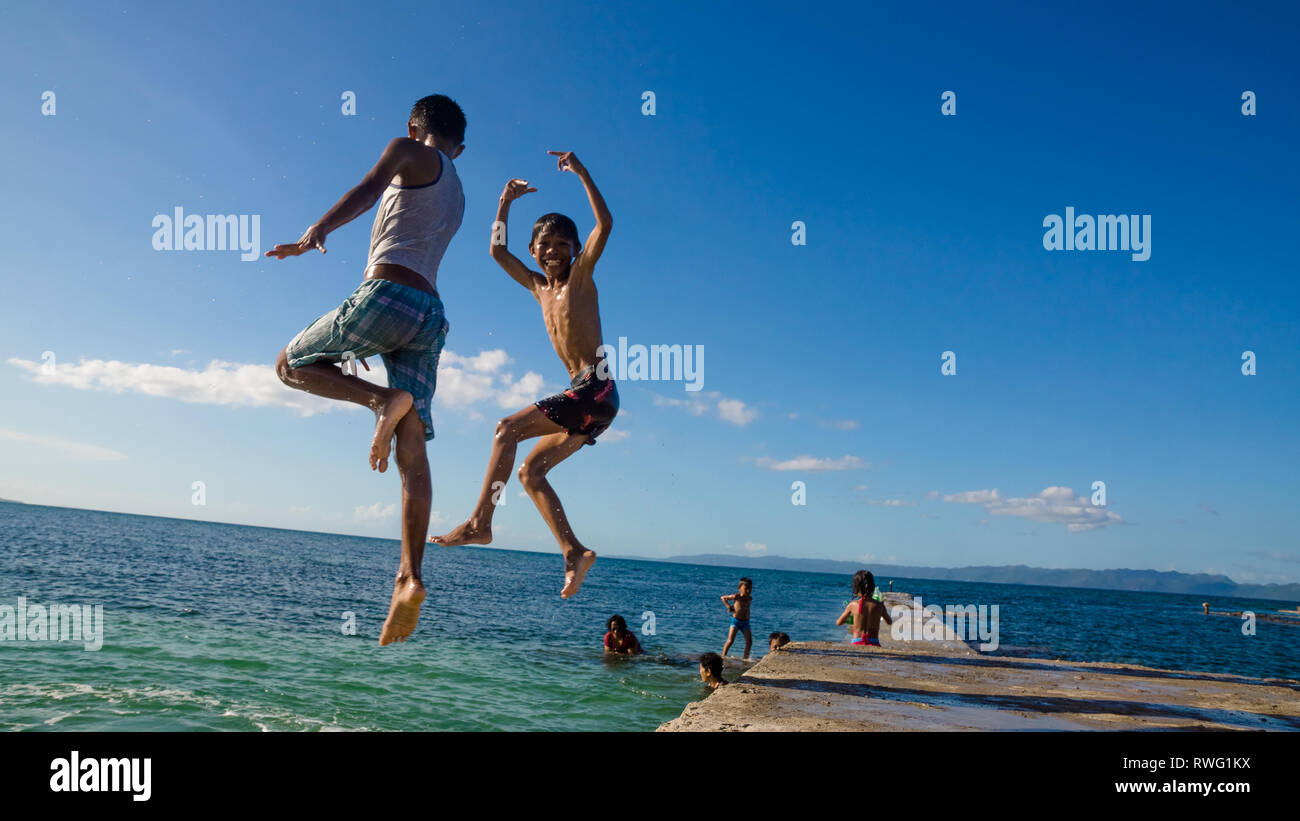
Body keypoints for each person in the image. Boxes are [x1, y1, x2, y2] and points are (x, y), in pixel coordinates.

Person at [268, 94, 466, 646]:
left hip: (387, 295)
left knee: (289, 363)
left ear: (413, 128)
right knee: (413, 452)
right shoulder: (458, 191)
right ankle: (409, 576)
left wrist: (317, 231)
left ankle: (380, 401)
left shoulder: (409, 150)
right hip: (430, 316)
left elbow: (368, 187)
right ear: (461, 146)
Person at [430, 151, 615, 600]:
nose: (553, 250)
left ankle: (479, 523)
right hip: (589, 402)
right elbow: (496, 250)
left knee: (506, 429)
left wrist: (583, 173)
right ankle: (574, 551)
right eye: (545, 244)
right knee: (531, 473)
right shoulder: (538, 288)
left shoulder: (581, 277)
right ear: (534, 251)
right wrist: (503, 203)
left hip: (597, 388)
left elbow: (603, 225)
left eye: (562, 243)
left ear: (574, 249)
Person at [836, 570, 893, 647]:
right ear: (872, 586)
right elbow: (889, 622)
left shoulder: (852, 605)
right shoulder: (880, 605)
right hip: (874, 642)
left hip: (857, 641)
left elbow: (838, 623)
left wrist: (850, 618)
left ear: (856, 587)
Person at [720, 578, 753, 658]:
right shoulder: (736, 596)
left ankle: (745, 658)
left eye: (750, 589)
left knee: (749, 642)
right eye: (746, 589)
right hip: (736, 621)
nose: (748, 591)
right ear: (739, 588)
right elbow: (723, 598)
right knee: (730, 640)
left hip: (745, 622)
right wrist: (728, 606)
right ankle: (723, 656)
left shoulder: (749, 598)